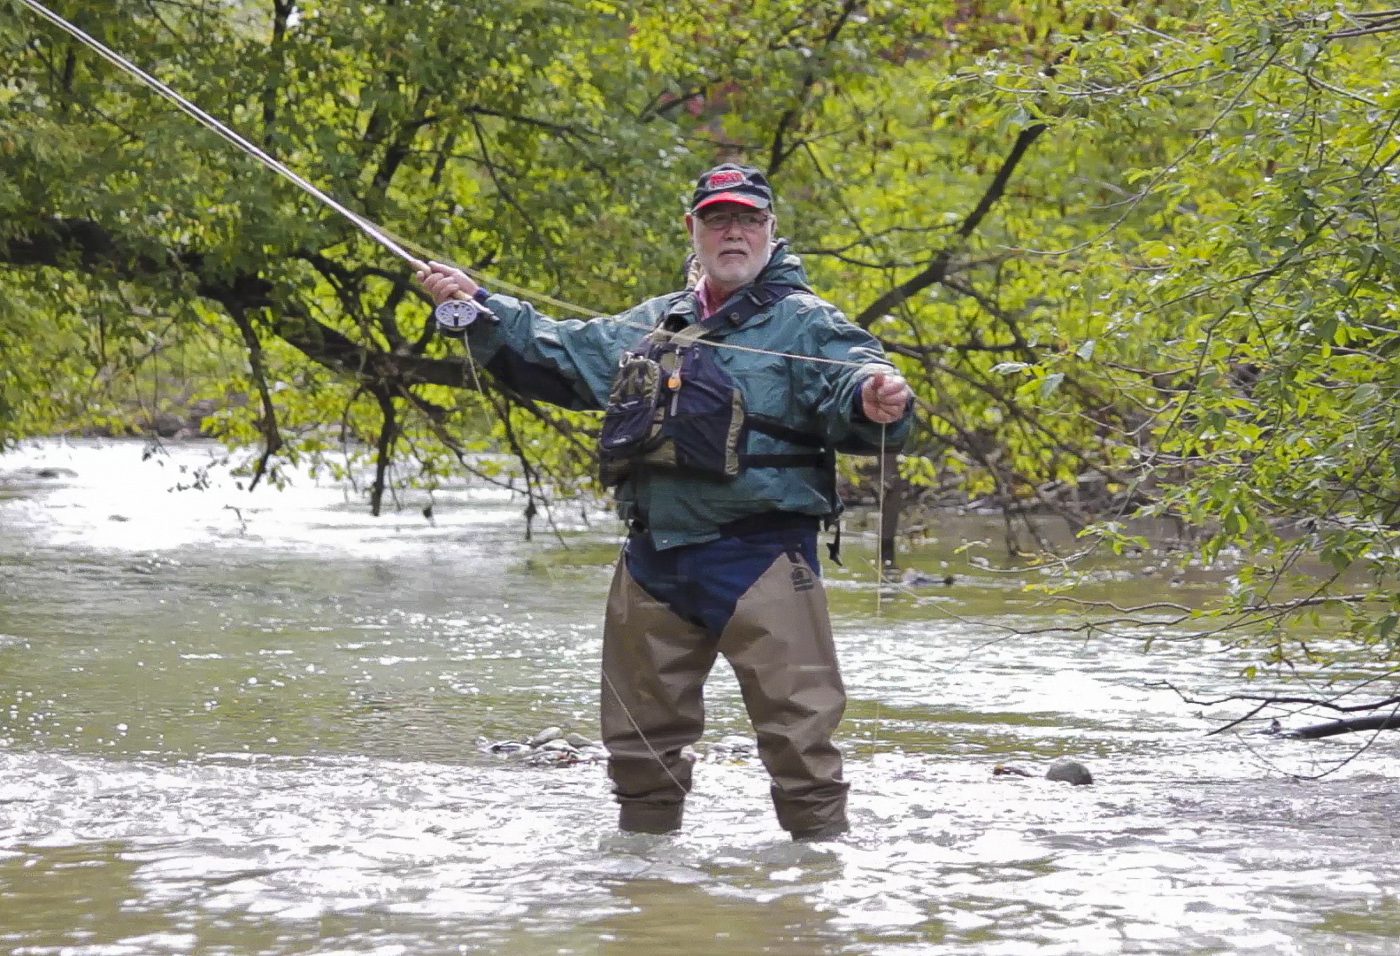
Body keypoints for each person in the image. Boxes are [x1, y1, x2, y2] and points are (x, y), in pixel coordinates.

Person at [417, 163, 913, 841]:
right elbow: (562, 352)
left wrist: (876, 397)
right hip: (653, 559)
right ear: (693, 230)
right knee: (638, 751)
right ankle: (646, 882)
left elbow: (856, 377)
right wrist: (478, 305)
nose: (733, 233)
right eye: (718, 220)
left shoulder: (807, 323)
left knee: (802, 746)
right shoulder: (655, 322)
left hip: (763, 557)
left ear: (771, 230)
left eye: (748, 220)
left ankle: (817, 882)